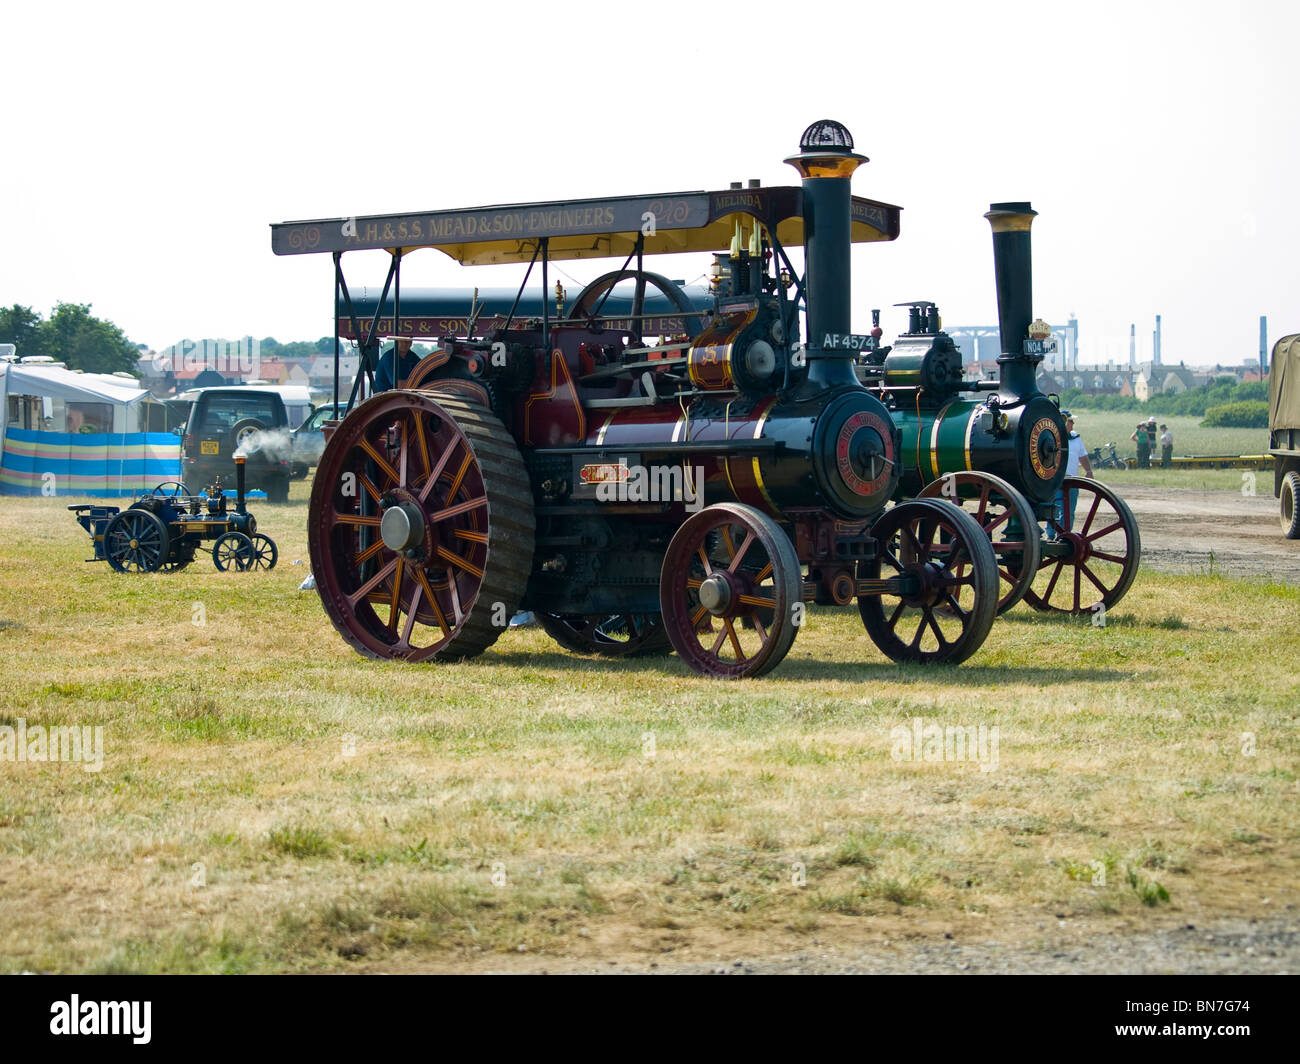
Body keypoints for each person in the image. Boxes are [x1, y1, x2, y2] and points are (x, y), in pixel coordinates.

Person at [1049, 411, 1094, 536]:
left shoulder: (1075, 438)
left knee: (1070, 510)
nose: (1073, 423)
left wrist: (1088, 471)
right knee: (1055, 509)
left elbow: (1083, 456)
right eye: (1070, 421)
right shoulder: (1052, 437)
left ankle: (1066, 534)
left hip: (1072, 480)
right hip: (1056, 480)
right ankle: (1052, 534)